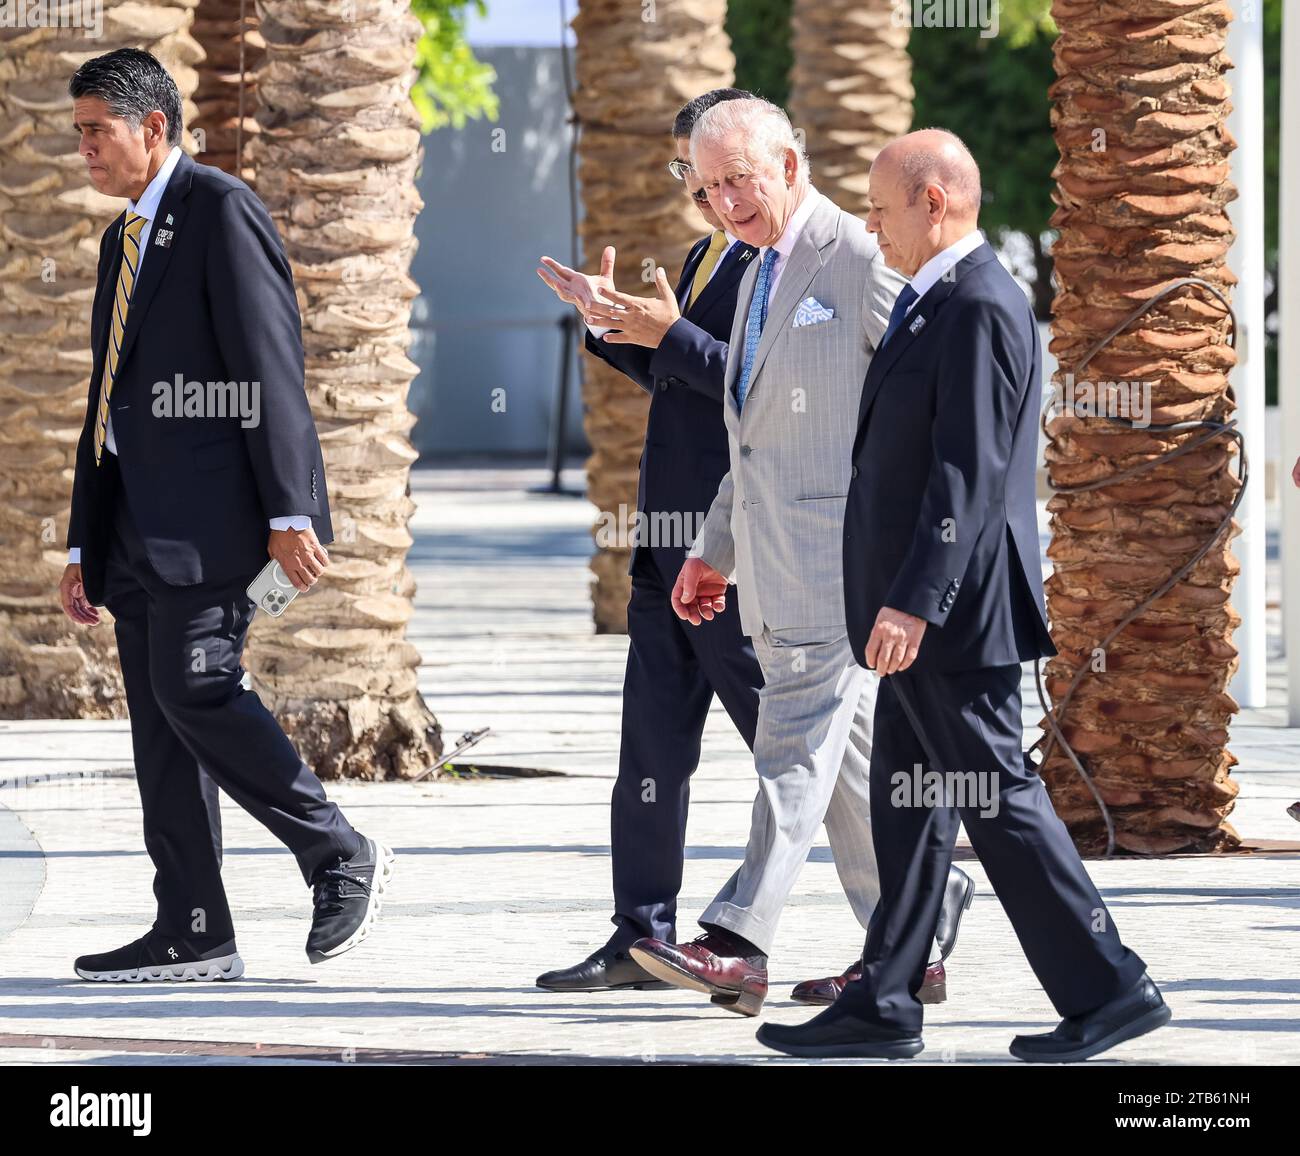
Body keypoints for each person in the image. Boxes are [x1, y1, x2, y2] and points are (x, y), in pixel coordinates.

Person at [758, 129, 1169, 1061]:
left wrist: (914, 601)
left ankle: (1111, 986)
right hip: (910, 613)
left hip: (947, 615)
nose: (870, 223)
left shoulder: (980, 304)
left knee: (999, 797)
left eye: (879, 207)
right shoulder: (930, 300)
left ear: (933, 201)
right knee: (906, 802)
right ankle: (887, 999)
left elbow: (967, 473)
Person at [631, 98, 973, 1018]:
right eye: (705, 187)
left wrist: (911, 555)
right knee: (846, 770)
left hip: (843, 565)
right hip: (771, 564)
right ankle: (920, 935)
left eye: (737, 178)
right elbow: (750, 437)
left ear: (789, 162)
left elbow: (929, 403)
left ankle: (738, 940)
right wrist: (714, 550)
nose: (723, 202)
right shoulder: (752, 272)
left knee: (792, 747)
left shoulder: (859, 254)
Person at [58, 48, 393, 982]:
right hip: (132, 528)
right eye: (77, 132)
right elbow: (104, 400)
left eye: (97, 131)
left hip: (214, 517)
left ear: (153, 127)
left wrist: (291, 508)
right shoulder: (119, 241)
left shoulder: (220, 210)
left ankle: (338, 851)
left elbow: (267, 364)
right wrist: (85, 536)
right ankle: (194, 926)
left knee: (199, 687)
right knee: (161, 723)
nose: (82, 149)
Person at [532, 89, 766, 993]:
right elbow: (684, 376)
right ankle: (640, 937)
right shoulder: (709, 253)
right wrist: (614, 324)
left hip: (733, 550)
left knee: (790, 751)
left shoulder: (785, 265)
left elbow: (759, 391)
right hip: (665, 549)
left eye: (715, 176)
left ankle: (920, 893)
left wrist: (670, 335)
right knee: (650, 755)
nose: (701, 195)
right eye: (688, 175)